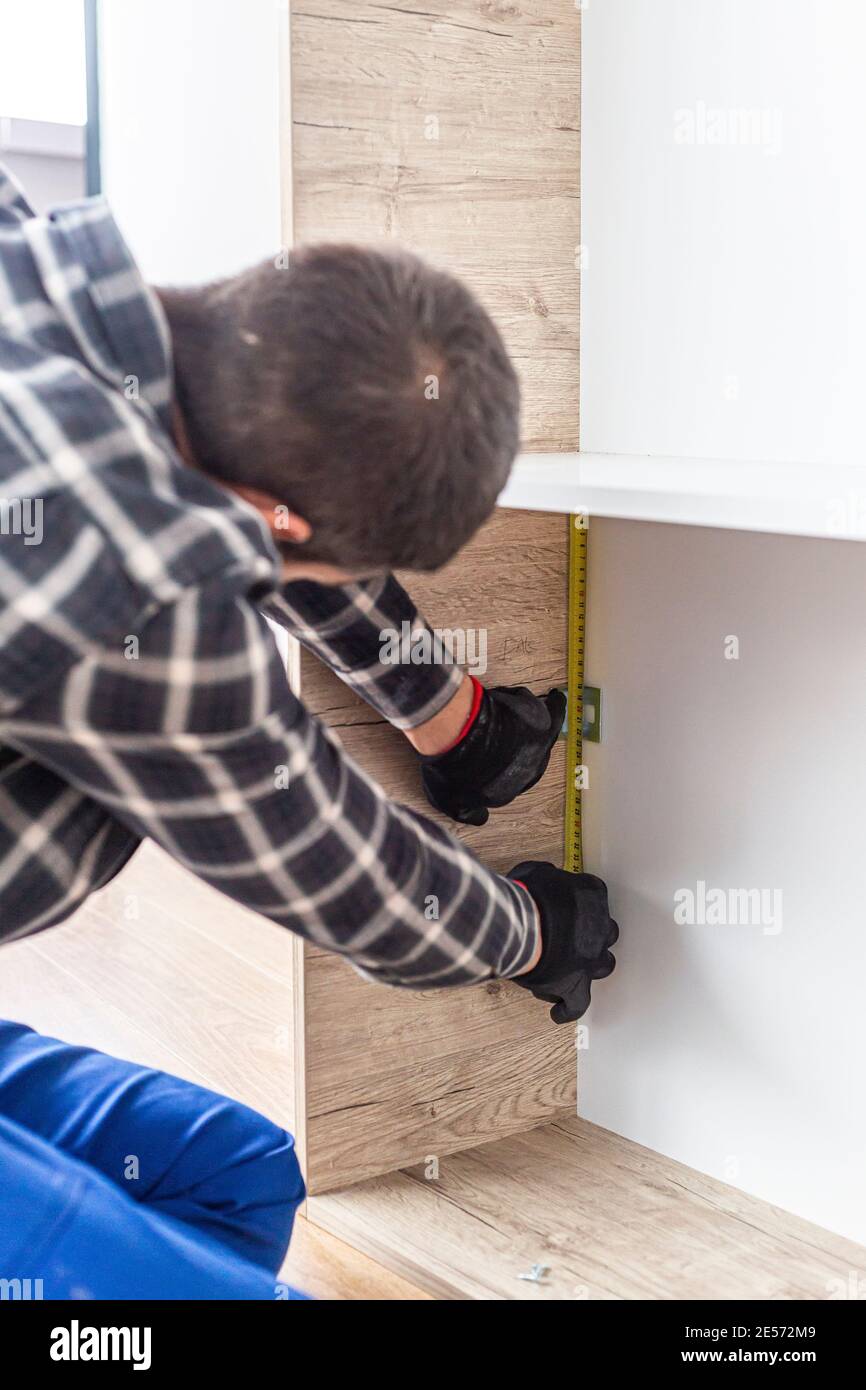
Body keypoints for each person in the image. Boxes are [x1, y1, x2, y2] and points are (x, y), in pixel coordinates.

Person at [0, 165, 617, 1298]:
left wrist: (451, 715)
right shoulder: (138, 598)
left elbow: (230, 479)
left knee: (236, 1175)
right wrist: (531, 932)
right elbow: (349, 875)